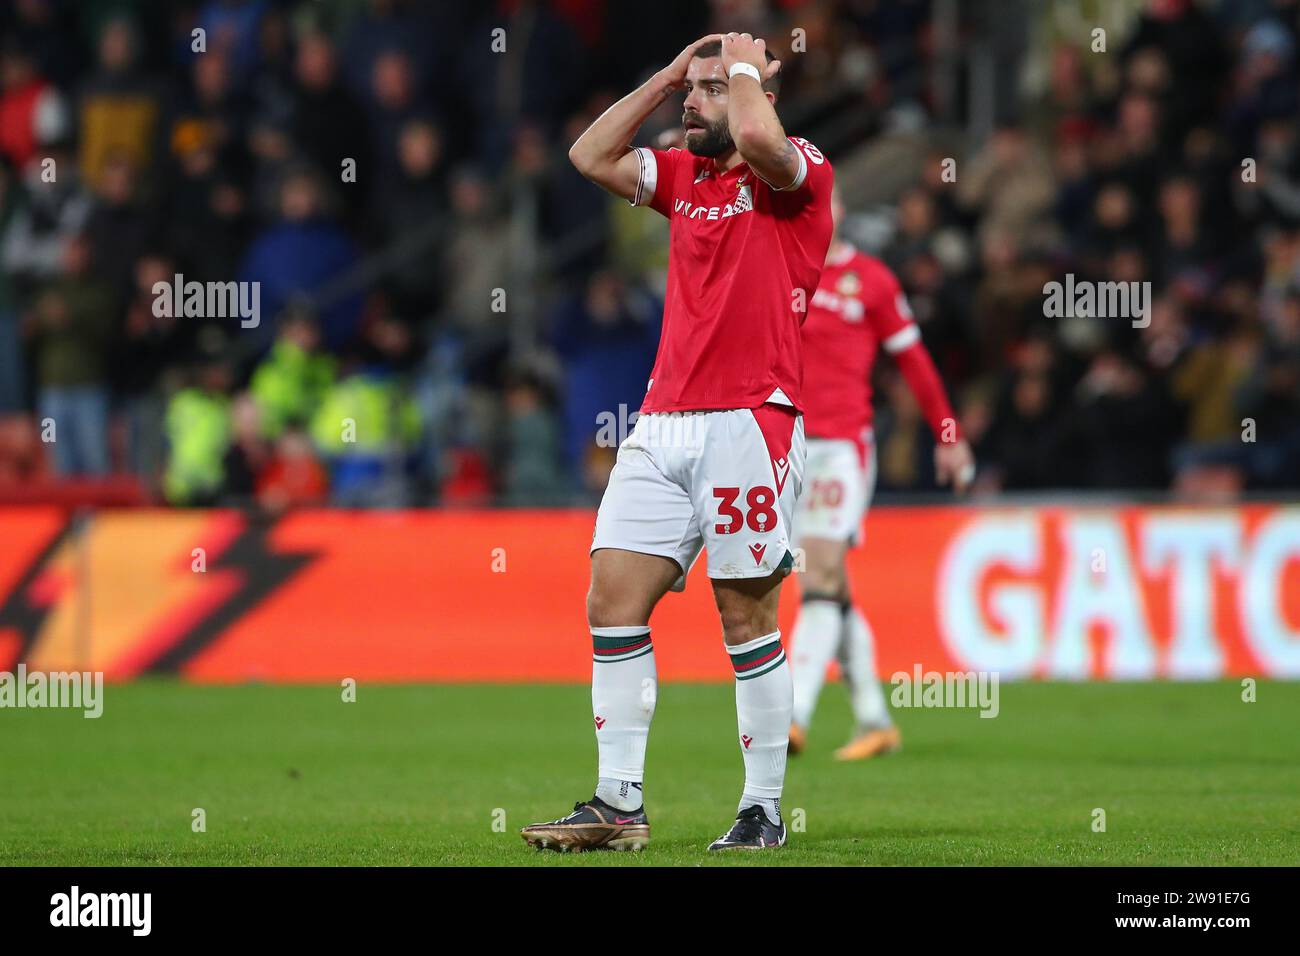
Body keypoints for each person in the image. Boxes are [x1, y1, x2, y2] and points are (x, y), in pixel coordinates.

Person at [520, 32, 833, 853]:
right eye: (688, 92)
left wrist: (742, 72)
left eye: (705, 93)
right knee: (610, 603)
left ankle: (762, 810)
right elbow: (589, 154)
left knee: (746, 618)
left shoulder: (797, 171)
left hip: (750, 420)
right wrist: (663, 77)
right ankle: (618, 805)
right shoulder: (686, 178)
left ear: (750, 93)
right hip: (659, 424)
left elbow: (761, 136)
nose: (692, 105)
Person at [787, 188, 975, 760]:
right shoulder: (782, 268)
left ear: (841, 211)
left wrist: (948, 435)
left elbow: (914, 361)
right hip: (786, 445)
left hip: (842, 448)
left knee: (818, 571)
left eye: (831, 201)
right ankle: (874, 720)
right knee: (827, 588)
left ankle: (792, 716)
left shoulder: (871, 280)